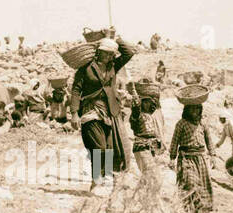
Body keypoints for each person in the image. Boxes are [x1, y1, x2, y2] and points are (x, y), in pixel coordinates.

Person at [69, 35, 136, 191]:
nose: (108, 56)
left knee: (107, 147)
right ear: (98, 52)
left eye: (111, 53)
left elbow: (129, 53)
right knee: (99, 148)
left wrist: (116, 38)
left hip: (110, 112)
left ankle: (97, 180)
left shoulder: (113, 66)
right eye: (105, 52)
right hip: (91, 110)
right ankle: (98, 180)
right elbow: (76, 90)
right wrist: (74, 113)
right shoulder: (85, 68)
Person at [169, 98, 214, 213]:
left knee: (203, 184)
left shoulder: (203, 123)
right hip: (186, 158)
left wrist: (212, 154)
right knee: (190, 183)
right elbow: (175, 141)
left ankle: (202, 211)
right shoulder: (181, 123)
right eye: (192, 109)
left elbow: (209, 140)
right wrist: (172, 158)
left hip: (200, 158)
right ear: (187, 110)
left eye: (197, 109)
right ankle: (191, 211)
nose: (195, 111)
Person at [130, 92, 164, 175]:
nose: (147, 104)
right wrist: (136, 102)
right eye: (145, 102)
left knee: (149, 174)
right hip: (141, 146)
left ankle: (143, 188)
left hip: (151, 147)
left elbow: (156, 105)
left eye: (149, 102)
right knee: (149, 172)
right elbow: (135, 110)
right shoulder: (137, 116)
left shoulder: (151, 115)